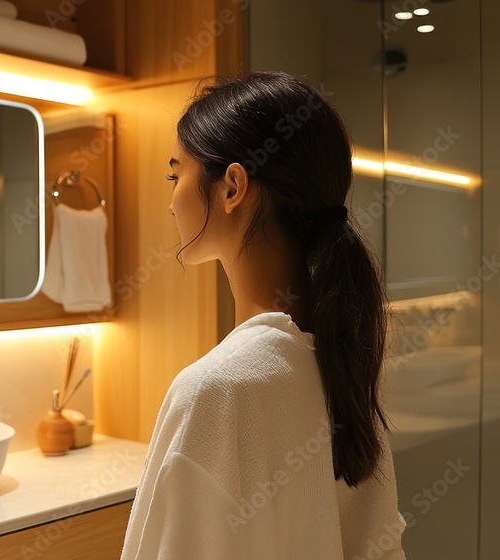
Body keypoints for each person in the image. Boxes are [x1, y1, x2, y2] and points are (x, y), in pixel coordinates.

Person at [121, 72, 406, 559]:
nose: (171, 201)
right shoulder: (341, 360)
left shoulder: (217, 389)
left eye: (176, 175)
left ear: (232, 186)